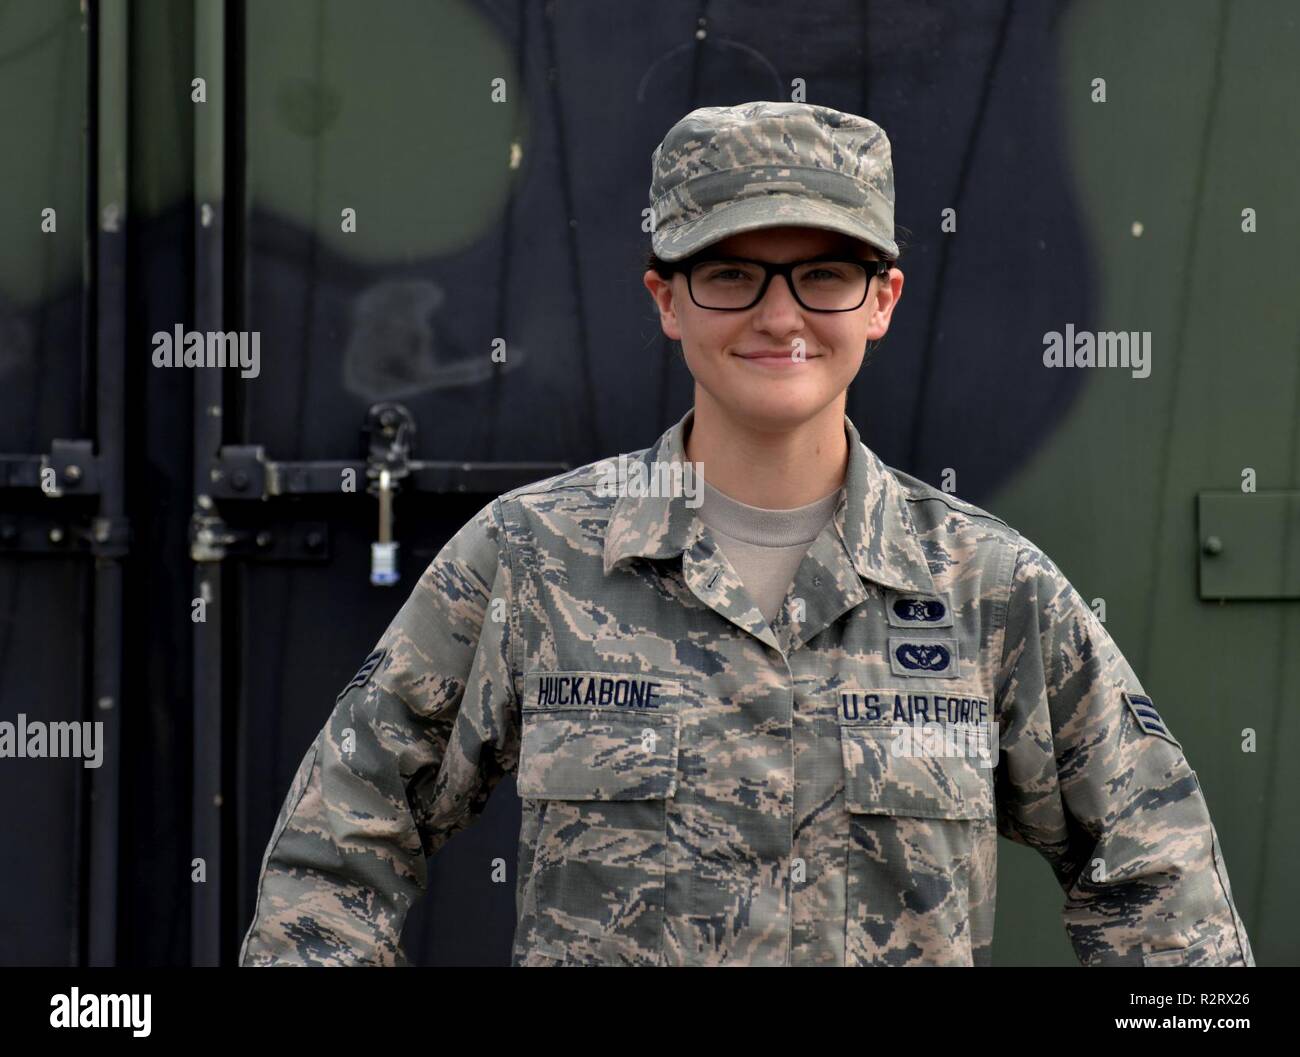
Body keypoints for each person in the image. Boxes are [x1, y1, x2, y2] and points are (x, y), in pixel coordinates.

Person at [239, 100, 1254, 967]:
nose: (779, 316)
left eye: (825, 273)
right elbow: (339, 843)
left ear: (883, 299)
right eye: (730, 273)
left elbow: (1162, 885)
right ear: (666, 298)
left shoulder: (987, 586)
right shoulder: (531, 558)